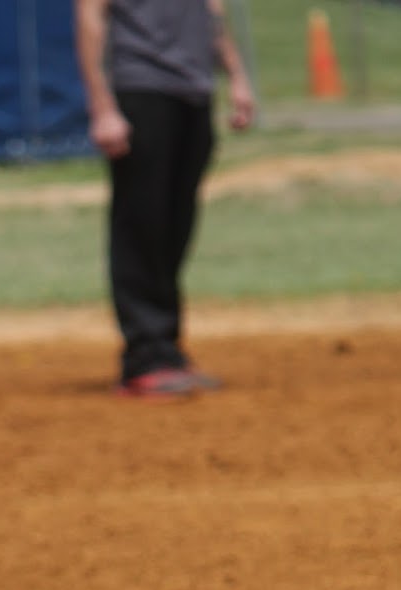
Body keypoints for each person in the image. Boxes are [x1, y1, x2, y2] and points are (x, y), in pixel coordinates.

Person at [74, 0, 256, 396]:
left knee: (175, 225)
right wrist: (102, 105)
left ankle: (166, 348)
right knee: (142, 223)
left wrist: (237, 75)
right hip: (140, 88)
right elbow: (90, 19)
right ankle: (144, 355)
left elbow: (213, 13)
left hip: (194, 89)